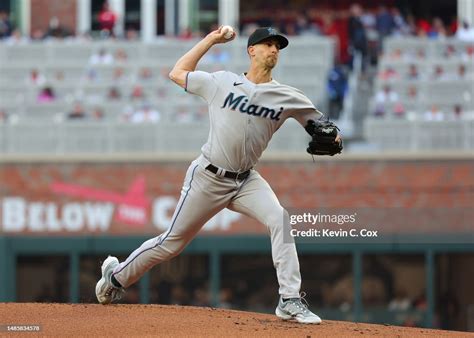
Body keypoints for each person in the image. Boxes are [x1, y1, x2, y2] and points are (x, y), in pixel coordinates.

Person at [95, 26, 342, 324]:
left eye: (278, 45)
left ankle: (290, 299)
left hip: (246, 180)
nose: (274, 49)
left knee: (280, 218)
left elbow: (324, 128)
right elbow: (177, 72)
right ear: (251, 50)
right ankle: (115, 277)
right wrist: (212, 39)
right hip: (208, 177)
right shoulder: (221, 82)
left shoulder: (288, 96)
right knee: (171, 243)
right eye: (267, 44)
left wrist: (335, 140)